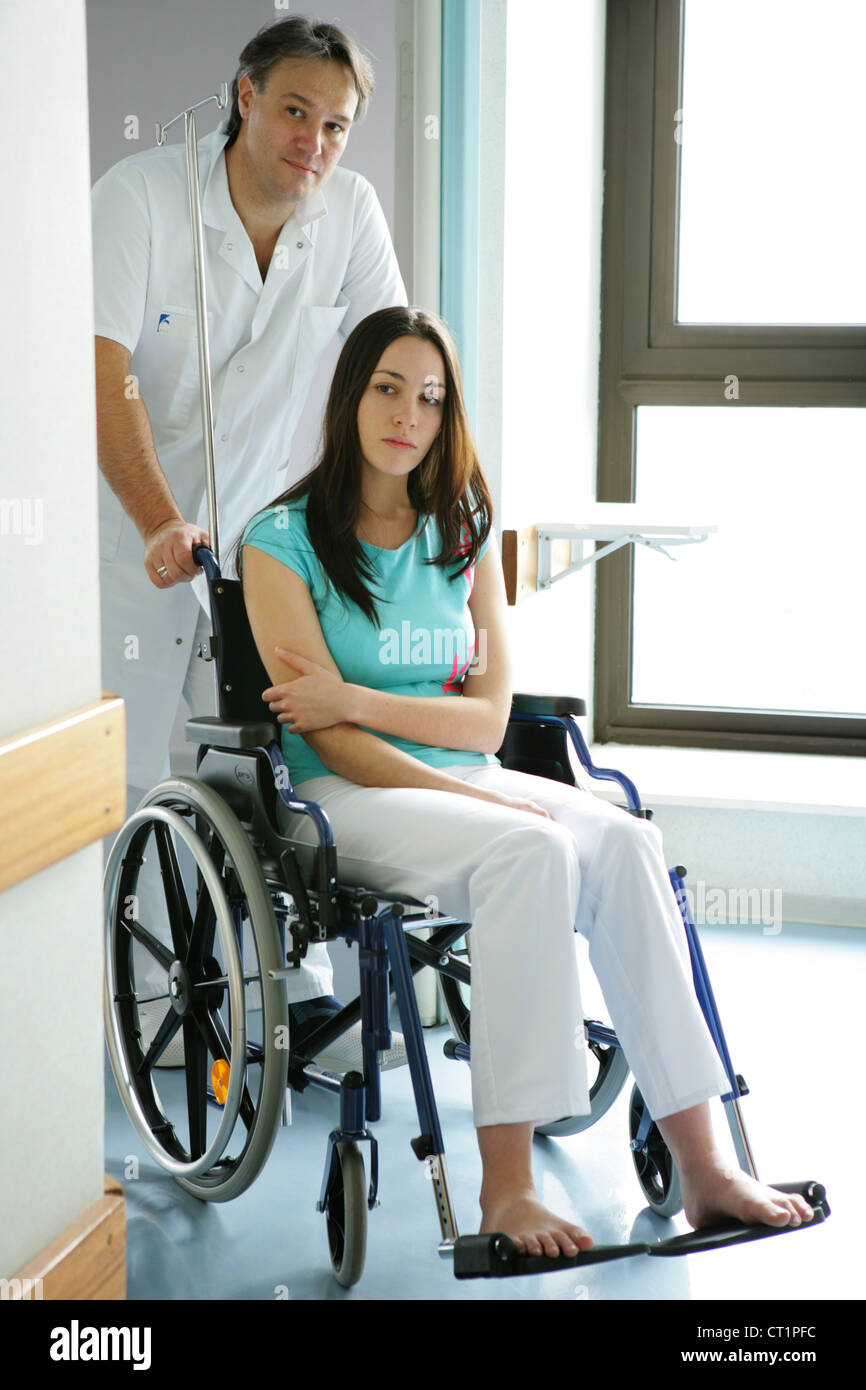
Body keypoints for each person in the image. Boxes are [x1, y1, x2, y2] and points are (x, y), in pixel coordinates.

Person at [235, 305, 815, 1256]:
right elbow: (332, 743)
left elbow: (486, 722)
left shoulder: (460, 527)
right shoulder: (280, 541)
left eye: (431, 398)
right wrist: (466, 789)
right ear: (349, 397)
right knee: (530, 848)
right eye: (387, 388)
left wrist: (362, 699)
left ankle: (706, 1167)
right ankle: (508, 1188)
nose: (408, 415)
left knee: (626, 841)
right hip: (341, 799)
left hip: (464, 772)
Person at [93, 16, 408, 1068]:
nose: (315, 143)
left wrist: (402, 527)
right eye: (294, 112)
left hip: (260, 545)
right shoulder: (141, 197)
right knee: (133, 776)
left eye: (336, 125)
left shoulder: (350, 213)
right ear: (244, 98)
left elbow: (391, 368)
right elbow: (104, 375)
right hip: (128, 534)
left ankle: (283, 997)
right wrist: (158, 519)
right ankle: (152, 1013)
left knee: (267, 764)